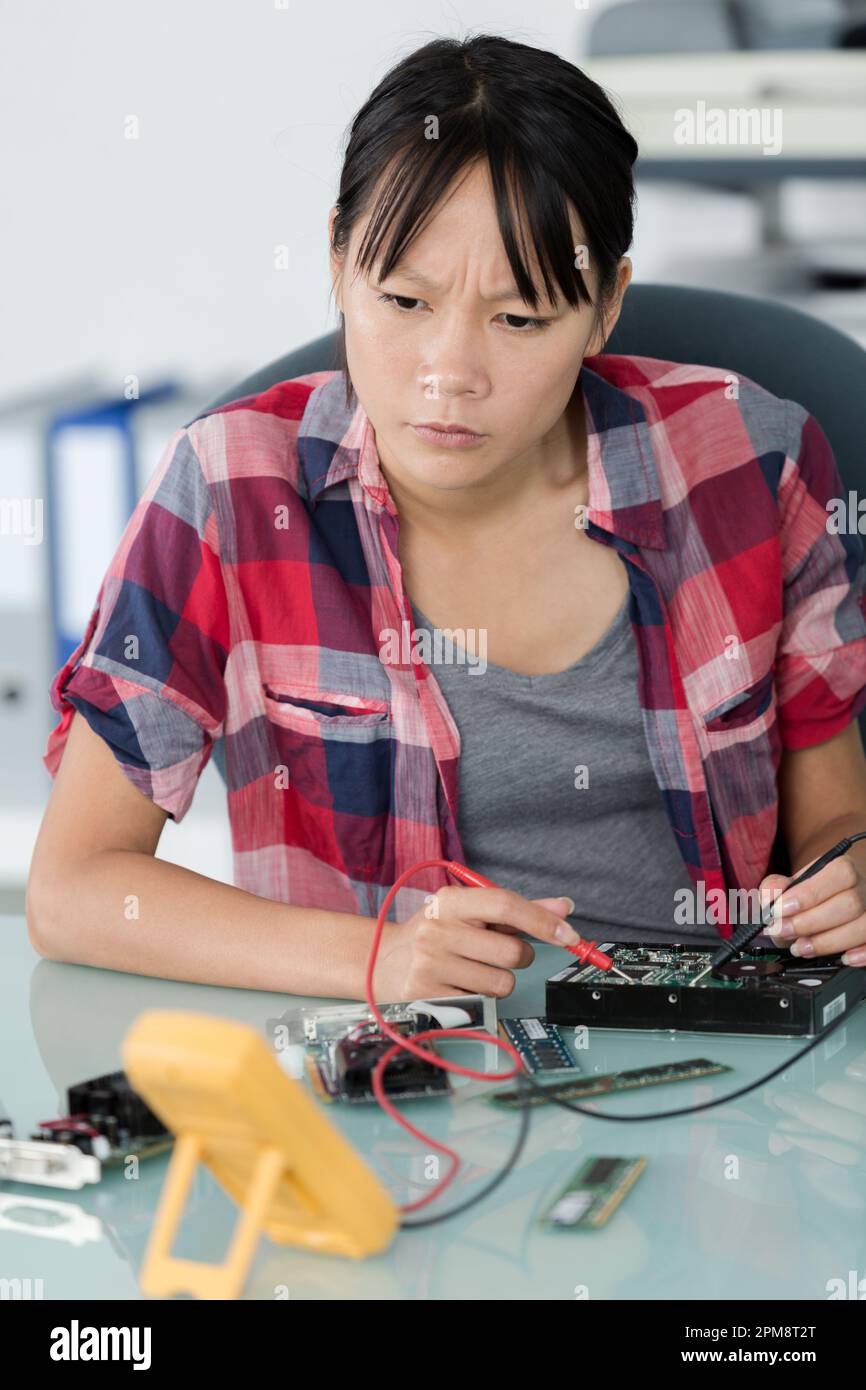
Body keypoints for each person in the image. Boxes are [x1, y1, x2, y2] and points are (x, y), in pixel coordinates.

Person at [27, 34, 866, 1000]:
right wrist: (383, 958)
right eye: (403, 300)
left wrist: (848, 879)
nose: (449, 374)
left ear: (605, 307)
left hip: (722, 1047)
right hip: (399, 1060)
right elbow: (74, 890)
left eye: (520, 319)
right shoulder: (230, 488)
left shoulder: (751, 460)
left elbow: (834, 820)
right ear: (338, 259)